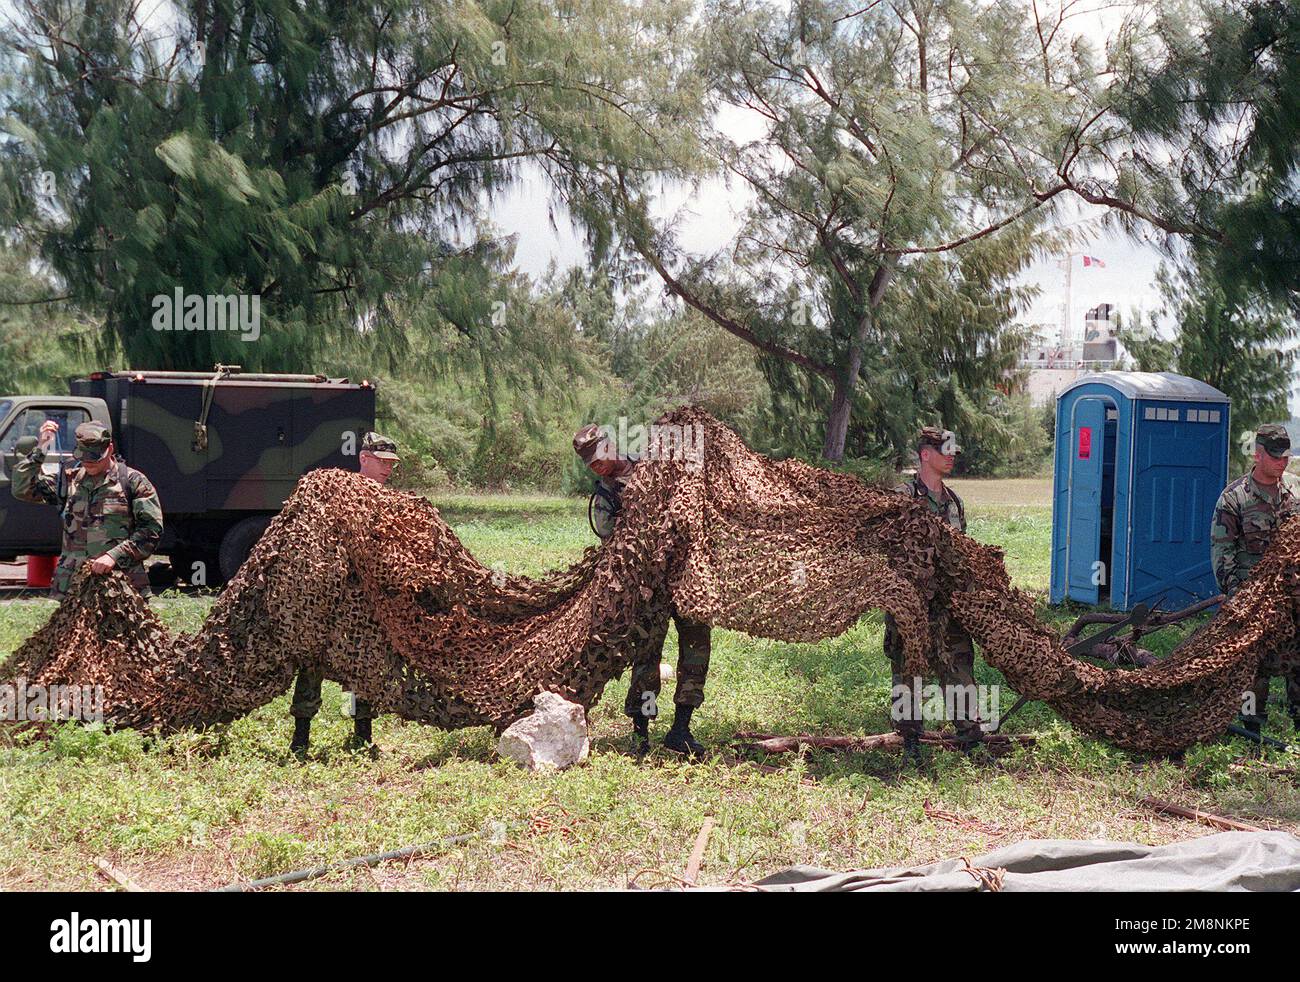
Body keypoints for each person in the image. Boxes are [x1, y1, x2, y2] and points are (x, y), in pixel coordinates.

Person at [573, 423, 710, 756]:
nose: (598, 465)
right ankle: (641, 730)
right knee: (646, 660)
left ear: (611, 445)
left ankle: (681, 729)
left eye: (600, 456)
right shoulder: (606, 497)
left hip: (686, 577)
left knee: (695, 651)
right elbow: (611, 541)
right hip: (647, 588)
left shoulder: (653, 464)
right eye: (591, 463)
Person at [289, 431, 400, 756]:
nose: (388, 470)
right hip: (329, 602)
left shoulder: (389, 501)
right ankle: (300, 742)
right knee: (313, 666)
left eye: (392, 464)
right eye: (382, 462)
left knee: (364, 669)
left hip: (365, 605)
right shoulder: (338, 493)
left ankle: (362, 737)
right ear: (364, 458)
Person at [883, 426, 982, 761]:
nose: (952, 457)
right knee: (909, 669)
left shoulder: (955, 503)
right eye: (946, 451)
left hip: (947, 604)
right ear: (926, 454)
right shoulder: (902, 496)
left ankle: (971, 738)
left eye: (954, 451)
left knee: (959, 665)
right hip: (910, 602)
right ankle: (908, 740)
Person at [1210, 423, 1300, 736]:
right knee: (1253, 668)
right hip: (1254, 601)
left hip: (1294, 599)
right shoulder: (1235, 498)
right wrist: (1240, 601)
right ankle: (1251, 729)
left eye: (1286, 456)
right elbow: (1222, 557)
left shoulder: (1297, 491)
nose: (1282, 461)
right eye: (1275, 456)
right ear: (1258, 454)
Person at [10, 420, 163, 599]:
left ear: (110, 449)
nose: (88, 463)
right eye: (83, 457)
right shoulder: (69, 480)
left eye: (94, 457)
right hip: (72, 587)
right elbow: (22, 489)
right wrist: (41, 448)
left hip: (122, 586)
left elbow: (151, 531)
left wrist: (114, 556)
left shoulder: (132, 482)